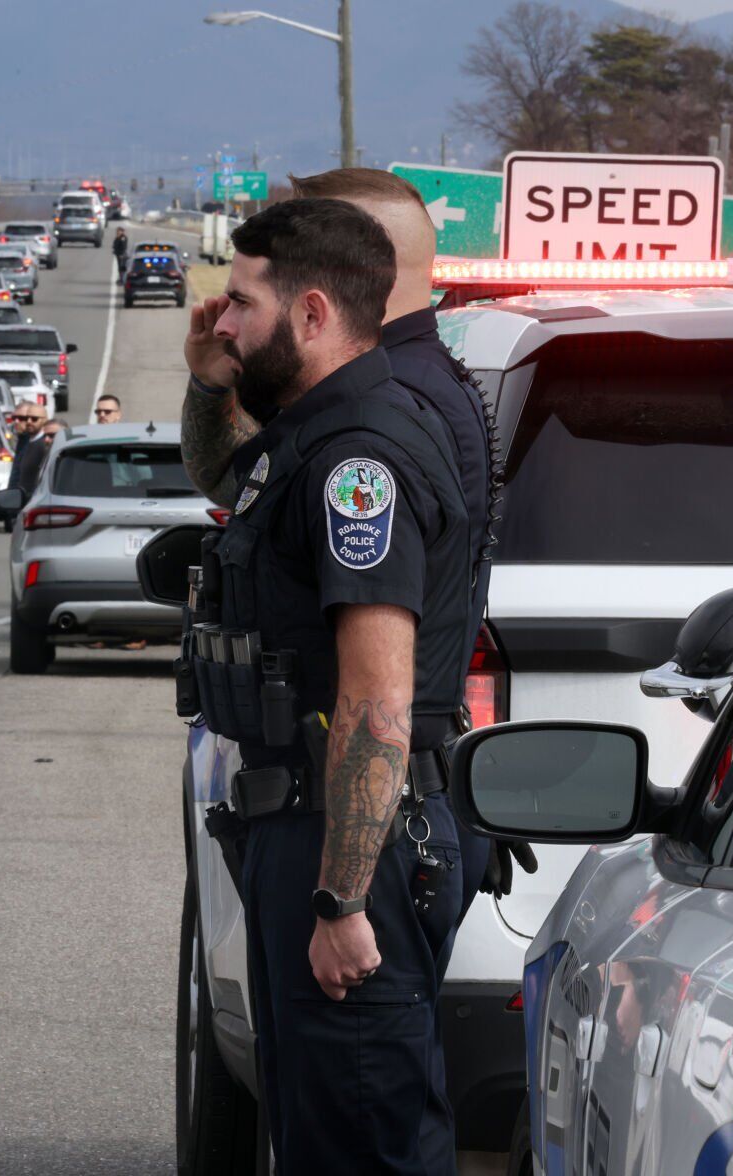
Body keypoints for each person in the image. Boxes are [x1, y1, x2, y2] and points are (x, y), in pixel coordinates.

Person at [180, 170, 532, 1166]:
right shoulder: (319, 426)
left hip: (356, 839)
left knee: (365, 1141)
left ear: (315, 307)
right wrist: (212, 378)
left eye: (242, 303)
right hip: (323, 827)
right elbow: (224, 475)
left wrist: (339, 898)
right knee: (321, 1133)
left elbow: (375, 696)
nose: (226, 322)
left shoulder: (361, 453)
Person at [11, 416, 65, 502]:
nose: (47, 440)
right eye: (45, 436)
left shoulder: (71, 462)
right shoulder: (44, 458)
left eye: (52, 435)